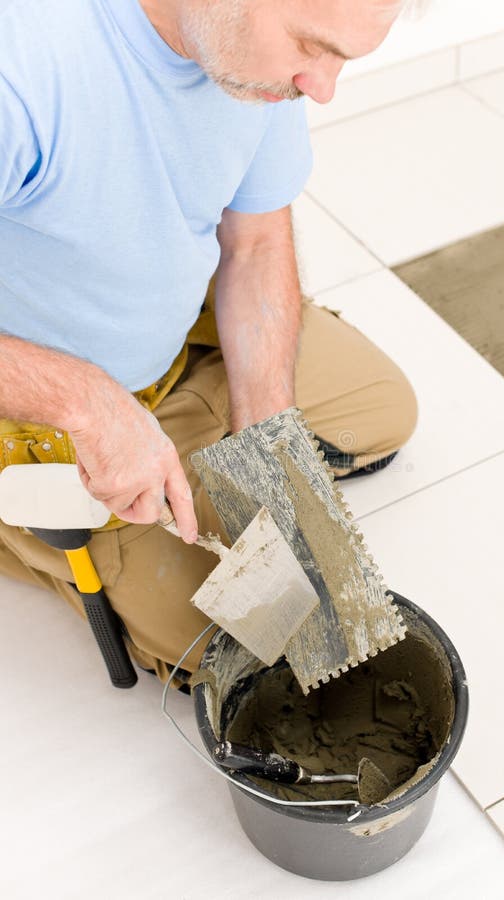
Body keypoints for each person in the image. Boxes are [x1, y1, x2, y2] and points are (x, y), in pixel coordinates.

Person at [0, 0, 418, 684]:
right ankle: (27, 528)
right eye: (312, 45)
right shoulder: (22, 66)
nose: (324, 86)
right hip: (34, 405)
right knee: (229, 653)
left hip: (165, 320)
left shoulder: (249, 61)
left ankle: (184, 428)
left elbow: (254, 245)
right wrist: (86, 402)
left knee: (384, 412)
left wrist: (267, 465)